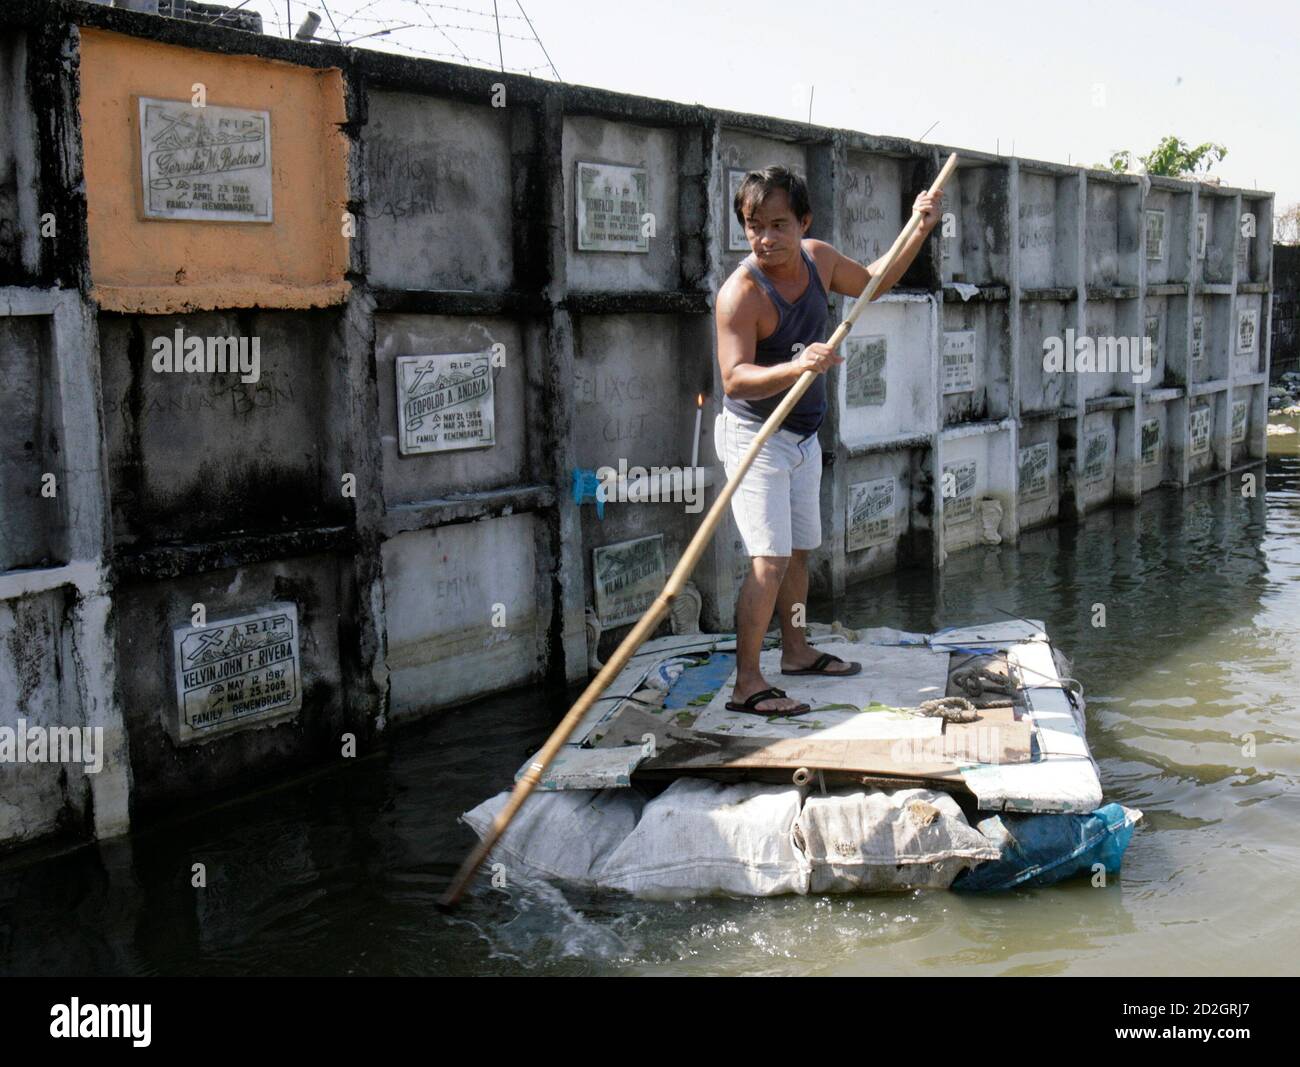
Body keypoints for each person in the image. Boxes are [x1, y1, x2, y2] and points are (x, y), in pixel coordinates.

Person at [713, 165, 943, 715]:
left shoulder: (818, 259)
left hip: (801, 434)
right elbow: (734, 378)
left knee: (797, 553)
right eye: (753, 226)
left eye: (778, 224)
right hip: (755, 436)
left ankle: (795, 651)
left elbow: (875, 282)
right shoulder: (740, 294)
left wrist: (918, 229)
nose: (765, 238)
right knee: (767, 562)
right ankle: (747, 685)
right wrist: (797, 367)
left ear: (803, 222)